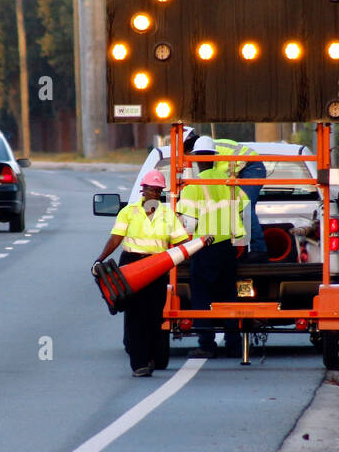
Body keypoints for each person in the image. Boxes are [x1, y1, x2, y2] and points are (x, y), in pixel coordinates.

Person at [94, 170, 190, 377]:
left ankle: (151, 356)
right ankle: (139, 363)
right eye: (150, 189)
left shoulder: (168, 214)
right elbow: (115, 239)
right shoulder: (128, 212)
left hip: (157, 266)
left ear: (161, 192)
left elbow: (181, 243)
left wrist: (186, 252)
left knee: (155, 315)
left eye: (157, 190)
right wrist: (99, 259)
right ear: (142, 190)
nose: (154, 193)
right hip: (131, 266)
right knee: (135, 315)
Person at [176, 137, 249, 358]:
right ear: (215, 158)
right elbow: (244, 209)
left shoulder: (194, 186)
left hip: (204, 248)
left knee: (202, 296)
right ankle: (234, 344)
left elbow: (187, 223)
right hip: (227, 247)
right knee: (228, 295)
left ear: (197, 160)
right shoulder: (229, 182)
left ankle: (206, 344)